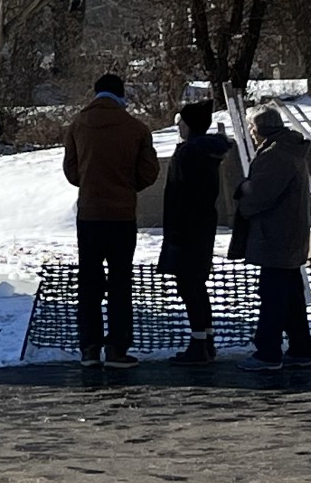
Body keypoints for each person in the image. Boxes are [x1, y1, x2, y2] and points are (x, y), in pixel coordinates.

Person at [62, 73, 160, 369]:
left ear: (95, 93)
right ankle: (117, 348)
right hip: (122, 216)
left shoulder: (77, 125)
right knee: (120, 282)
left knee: (89, 282)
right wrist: (125, 186)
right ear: (121, 94)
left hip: (89, 216)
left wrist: (91, 184)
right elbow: (149, 172)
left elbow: (71, 172)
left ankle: (89, 348)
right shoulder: (136, 128)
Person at [234, 107, 311, 371]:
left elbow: (258, 196)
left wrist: (242, 190)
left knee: (272, 296)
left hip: (275, 237)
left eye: (252, 127)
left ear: (259, 128)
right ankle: (301, 349)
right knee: (291, 297)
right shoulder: (291, 150)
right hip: (290, 236)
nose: (251, 132)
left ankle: (267, 352)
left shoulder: (274, 156)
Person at [158, 100, 232, 365]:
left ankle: (199, 344)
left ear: (189, 125)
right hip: (203, 226)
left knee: (188, 285)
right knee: (197, 285)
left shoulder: (187, 154)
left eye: (181, 122)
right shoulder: (209, 154)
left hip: (184, 228)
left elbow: (179, 194)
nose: (178, 126)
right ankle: (205, 340)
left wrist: (175, 230)